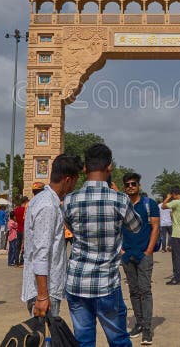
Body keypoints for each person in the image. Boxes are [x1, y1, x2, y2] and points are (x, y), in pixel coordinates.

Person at [63, 144, 141, 347]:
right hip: (106, 283)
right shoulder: (120, 199)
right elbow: (136, 227)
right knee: (118, 340)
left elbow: (70, 227)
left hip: (77, 282)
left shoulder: (70, 200)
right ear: (109, 167)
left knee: (83, 341)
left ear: (84, 169)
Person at [22, 155, 80, 318]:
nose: (74, 186)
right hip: (45, 289)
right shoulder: (48, 205)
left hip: (46, 287)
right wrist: (42, 296)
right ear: (68, 179)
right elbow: (41, 252)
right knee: (44, 338)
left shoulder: (43, 200)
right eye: (75, 181)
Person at [121, 173, 160, 345]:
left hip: (144, 253)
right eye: (127, 184)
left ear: (139, 186)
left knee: (145, 290)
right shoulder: (122, 206)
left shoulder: (149, 204)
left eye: (133, 184)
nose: (130, 186)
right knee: (134, 291)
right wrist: (121, 250)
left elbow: (156, 227)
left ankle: (146, 328)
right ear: (124, 187)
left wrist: (149, 250)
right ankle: (138, 323)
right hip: (127, 254)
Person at [160, 187, 180, 285]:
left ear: (174, 194)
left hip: (177, 234)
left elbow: (163, 206)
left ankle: (177, 277)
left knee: (177, 257)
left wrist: (167, 198)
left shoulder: (176, 202)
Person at [13, 196, 29, 264]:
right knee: (25, 246)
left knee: (18, 246)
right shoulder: (26, 209)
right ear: (26, 201)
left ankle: (16, 261)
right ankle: (22, 260)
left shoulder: (16, 209)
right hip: (25, 229)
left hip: (18, 229)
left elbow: (15, 219)